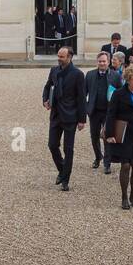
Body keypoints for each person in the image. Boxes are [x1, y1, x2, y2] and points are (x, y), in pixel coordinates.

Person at [104, 64, 133, 210]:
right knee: (126, 165)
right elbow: (111, 114)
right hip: (124, 134)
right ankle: (124, 197)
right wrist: (109, 134)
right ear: (128, 80)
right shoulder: (118, 94)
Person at [41, 46, 86, 191]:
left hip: (70, 116)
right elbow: (48, 87)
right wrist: (45, 99)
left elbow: (81, 98)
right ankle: (62, 170)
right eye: (58, 56)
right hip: (55, 114)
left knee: (68, 149)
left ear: (70, 57)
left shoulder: (78, 74)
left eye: (62, 56)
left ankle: (66, 179)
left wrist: (82, 119)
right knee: (52, 145)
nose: (59, 59)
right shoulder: (54, 70)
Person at [84, 51, 117, 173]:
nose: (102, 63)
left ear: (108, 62)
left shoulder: (115, 76)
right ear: (97, 62)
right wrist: (86, 108)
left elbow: (119, 94)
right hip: (94, 111)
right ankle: (98, 157)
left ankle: (107, 163)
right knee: (94, 136)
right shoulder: (90, 75)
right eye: (100, 61)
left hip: (108, 112)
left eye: (104, 61)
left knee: (107, 136)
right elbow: (84, 93)